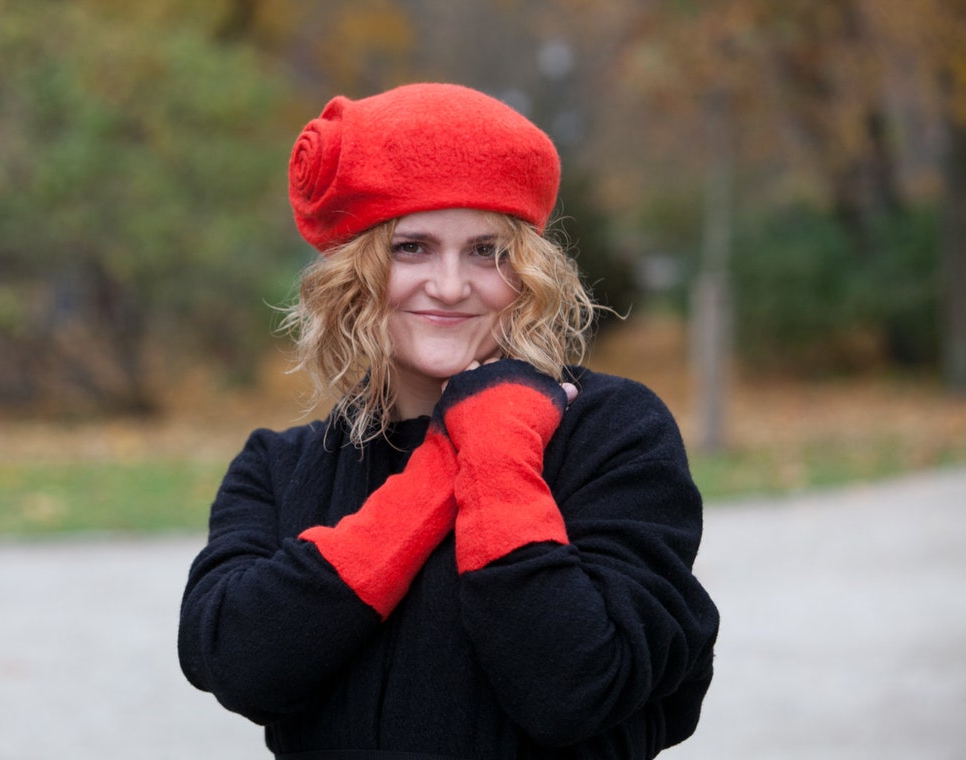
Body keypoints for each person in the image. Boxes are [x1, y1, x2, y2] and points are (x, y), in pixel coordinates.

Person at [178, 82, 718, 759]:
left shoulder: (612, 434)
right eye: (412, 248)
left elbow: (575, 687)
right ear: (356, 269)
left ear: (527, 272)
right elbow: (236, 663)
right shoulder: (281, 467)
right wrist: (439, 473)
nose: (452, 286)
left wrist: (500, 453)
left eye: (487, 251)